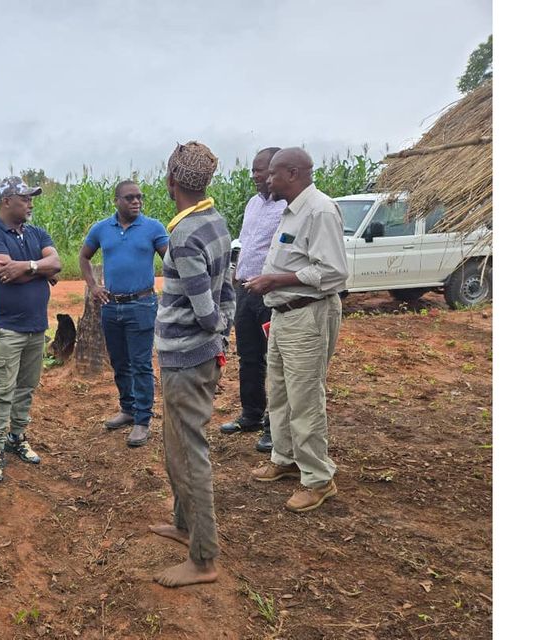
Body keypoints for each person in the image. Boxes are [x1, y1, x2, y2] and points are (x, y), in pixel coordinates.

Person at [146, 141, 235, 588]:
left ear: (171, 181)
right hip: (195, 355)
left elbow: (204, 311)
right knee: (175, 446)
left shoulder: (183, 235)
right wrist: (223, 332)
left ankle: (203, 559)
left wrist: (215, 331)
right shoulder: (215, 220)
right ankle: (184, 525)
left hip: (187, 358)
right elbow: (228, 291)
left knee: (188, 454)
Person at [243, 147, 350, 513]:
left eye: (272, 173)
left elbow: (333, 272)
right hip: (284, 314)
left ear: (292, 173)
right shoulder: (292, 211)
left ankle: (318, 479)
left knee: (305, 398)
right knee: (280, 392)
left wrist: (275, 280)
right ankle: (286, 458)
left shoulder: (320, 210)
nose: (266, 179)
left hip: (308, 314)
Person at [0, 176, 63, 484]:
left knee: (26, 387)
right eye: (24, 198)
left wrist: (28, 267)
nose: (30, 203)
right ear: (6, 201)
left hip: (36, 327)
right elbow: (6, 272)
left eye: (30, 198)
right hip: (7, 328)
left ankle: (17, 436)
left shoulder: (37, 233)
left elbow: (56, 263)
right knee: (3, 391)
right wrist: (41, 268)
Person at [79, 180, 169, 447]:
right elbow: (84, 257)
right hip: (111, 306)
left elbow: (172, 261)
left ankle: (143, 420)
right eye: (130, 198)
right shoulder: (101, 229)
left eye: (139, 197)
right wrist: (93, 286)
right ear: (116, 200)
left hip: (141, 305)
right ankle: (128, 409)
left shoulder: (153, 228)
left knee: (141, 364)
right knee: (119, 362)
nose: (136, 202)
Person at [221, 147, 287, 453]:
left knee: (276, 360)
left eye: (259, 170)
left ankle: (275, 426)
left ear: (274, 171)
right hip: (245, 291)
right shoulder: (252, 203)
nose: (255, 176)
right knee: (248, 356)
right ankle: (251, 414)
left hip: (270, 294)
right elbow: (246, 243)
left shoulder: (288, 207)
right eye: (253, 170)